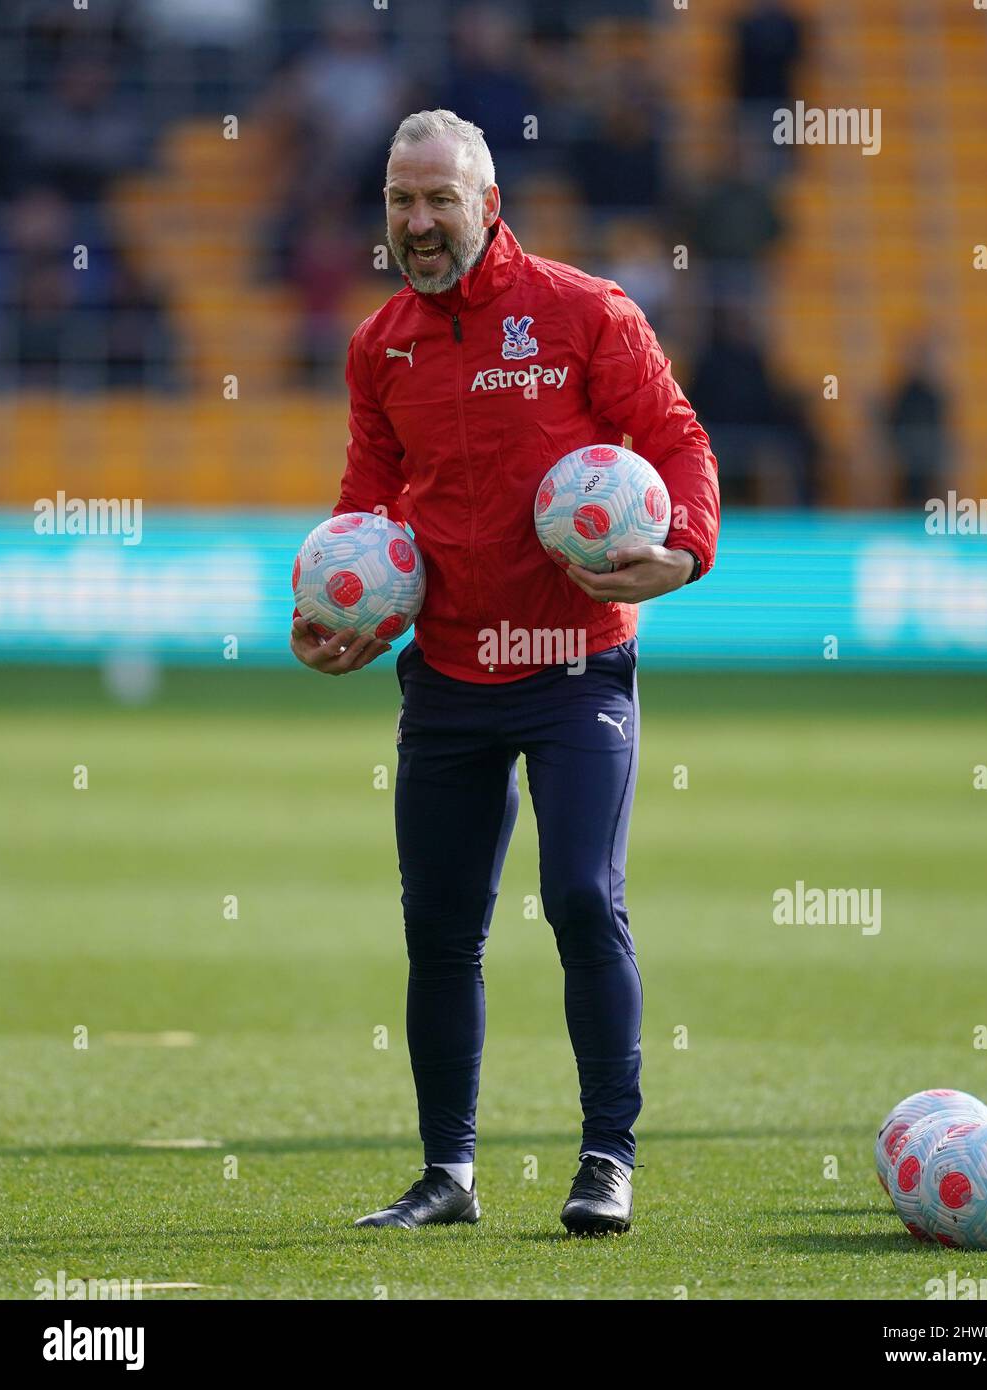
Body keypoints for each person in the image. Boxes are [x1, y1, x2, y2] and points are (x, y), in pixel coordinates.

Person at [289, 110, 720, 1236]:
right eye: (399, 200)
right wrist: (336, 615)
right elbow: (366, 506)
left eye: (438, 199)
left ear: (489, 204)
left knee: (583, 895)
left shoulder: (586, 313)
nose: (418, 222)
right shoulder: (378, 342)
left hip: (576, 662)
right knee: (439, 927)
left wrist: (682, 552)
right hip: (446, 678)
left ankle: (606, 1158)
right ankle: (448, 1173)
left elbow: (676, 441)